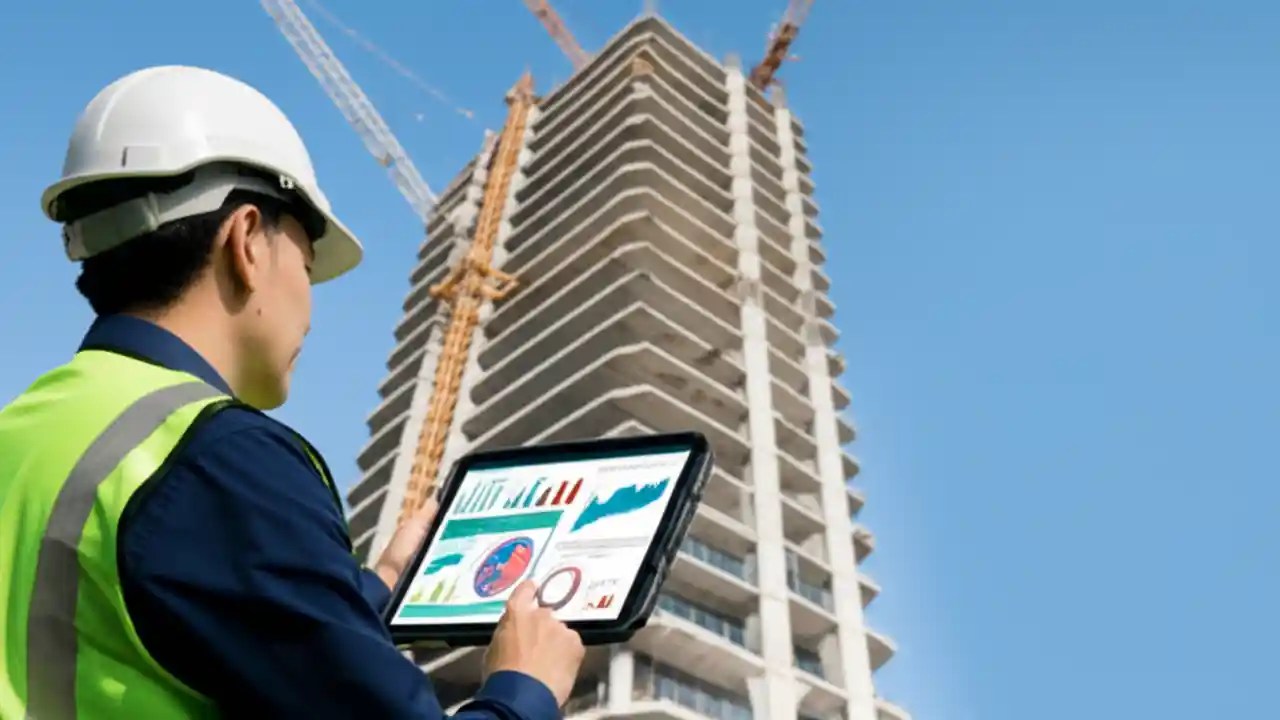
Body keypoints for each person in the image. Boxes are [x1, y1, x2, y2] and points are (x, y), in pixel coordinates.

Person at [0, 65, 584, 719]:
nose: (309, 310)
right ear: (246, 240)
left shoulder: (27, 431)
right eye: (307, 267)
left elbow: (190, 605)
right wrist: (523, 687)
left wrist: (384, 581)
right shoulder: (220, 457)